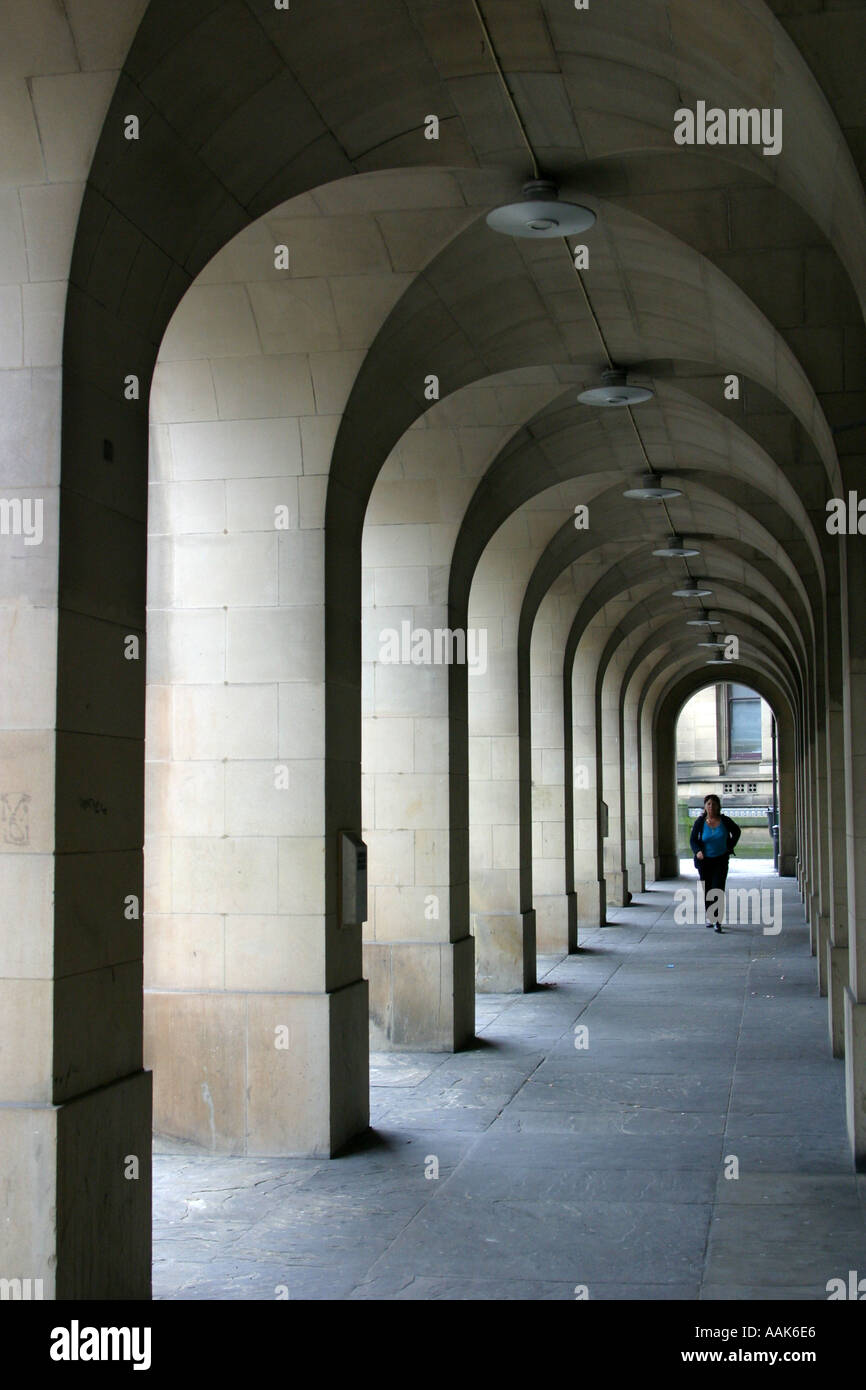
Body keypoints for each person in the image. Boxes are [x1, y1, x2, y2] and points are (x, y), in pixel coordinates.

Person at [690, 794, 741, 932]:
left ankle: (717, 919)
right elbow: (693, 839)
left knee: (717, 888)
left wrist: (730, 845)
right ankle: (709, 916)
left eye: (714, 804)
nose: (711, 806)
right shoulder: (700, 822)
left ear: (718, 806)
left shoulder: (724, 820)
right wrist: (698, 851)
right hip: (705, 861)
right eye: (708, 804)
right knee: (707, 889)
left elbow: (736, 831)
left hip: (721, 860)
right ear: (705, 807)